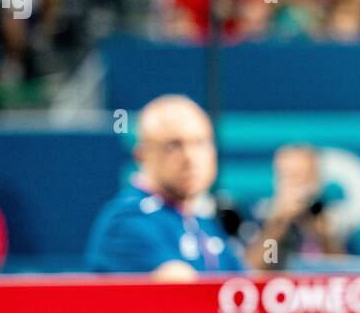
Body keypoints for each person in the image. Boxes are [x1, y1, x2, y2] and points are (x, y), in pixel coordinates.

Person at [85, 94, 245, 279]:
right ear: (142, 155)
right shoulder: (125, 221)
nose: (190, 158)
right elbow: (184, 295)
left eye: (200, 143)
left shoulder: (201, 221)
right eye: (174, 145)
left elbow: (243, 287)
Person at [246, 144, 344, 270]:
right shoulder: (258, 215)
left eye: (302, 176)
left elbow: (342, 270)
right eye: (288, 176)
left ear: (316, 180)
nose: (295, 184)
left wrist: (322, 233)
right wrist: (278, 224)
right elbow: (252, 270)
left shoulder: (331, 217)